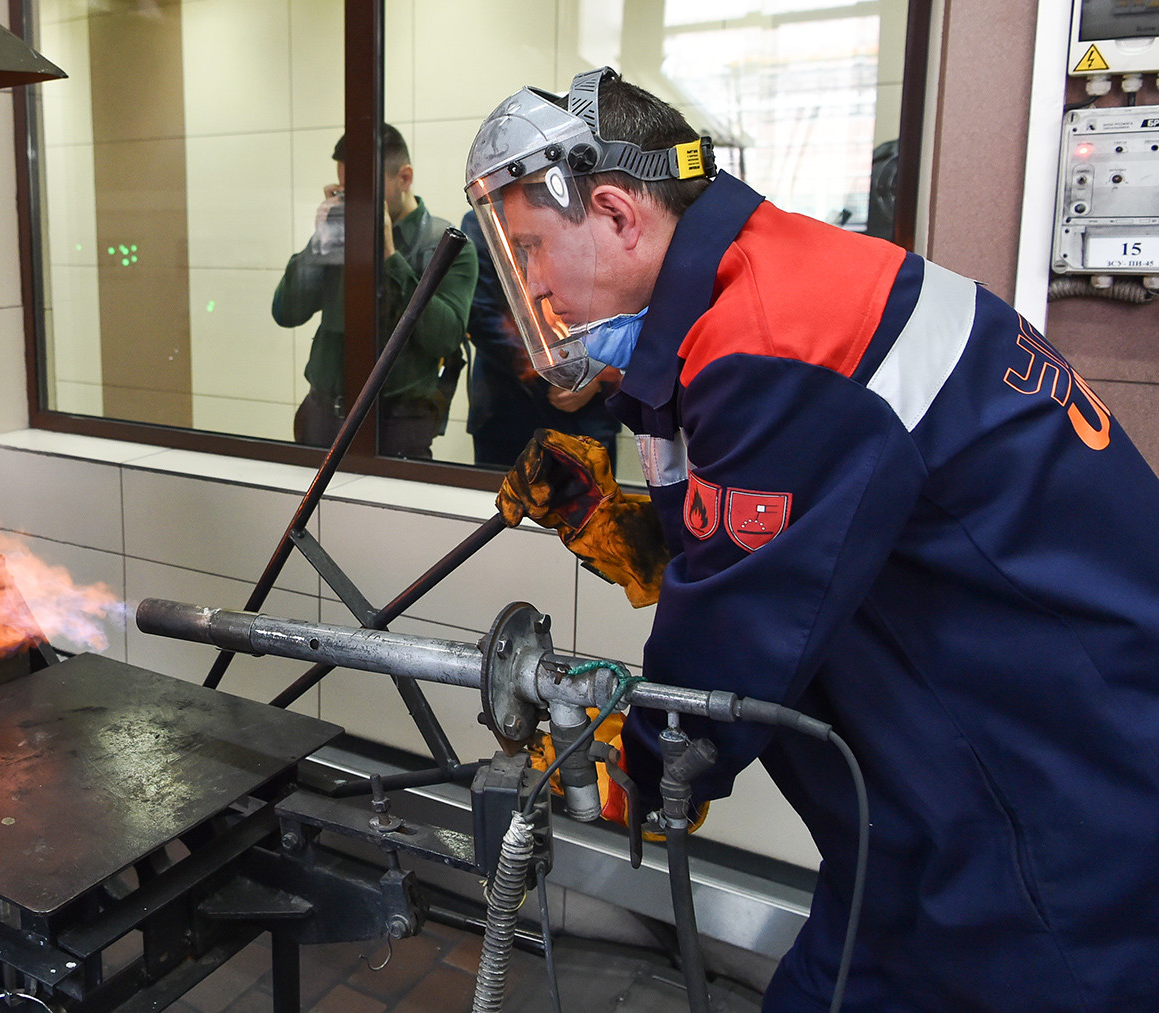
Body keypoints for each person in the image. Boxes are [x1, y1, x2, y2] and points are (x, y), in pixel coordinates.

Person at [475, 68, 1159, 1010]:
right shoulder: (750, 296)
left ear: (617, 213)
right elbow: (783, 550)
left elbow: (736, 645)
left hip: (1051, 821)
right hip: (937, 808)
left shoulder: (772, 343)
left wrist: (635, 768)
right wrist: (612, 522)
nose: (532, 288)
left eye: (532, 250)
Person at [272, 125, 477, 458]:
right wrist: (319, 243)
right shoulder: (339, 240)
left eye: (363, 190)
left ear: (405, 178)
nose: (353, 201)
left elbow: (445, 337)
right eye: (343, 190)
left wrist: (389, 256)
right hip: (321, 417)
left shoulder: (444, 245)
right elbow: (285, 312)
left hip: (397, 428)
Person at [458, 208, 621, 469]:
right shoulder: (484, 220)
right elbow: (481, 316)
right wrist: (563, 374)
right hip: (510, 406)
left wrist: (596, 375)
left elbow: (617, 298)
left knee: (591, 506)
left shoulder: (584, 205)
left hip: (588, 411)